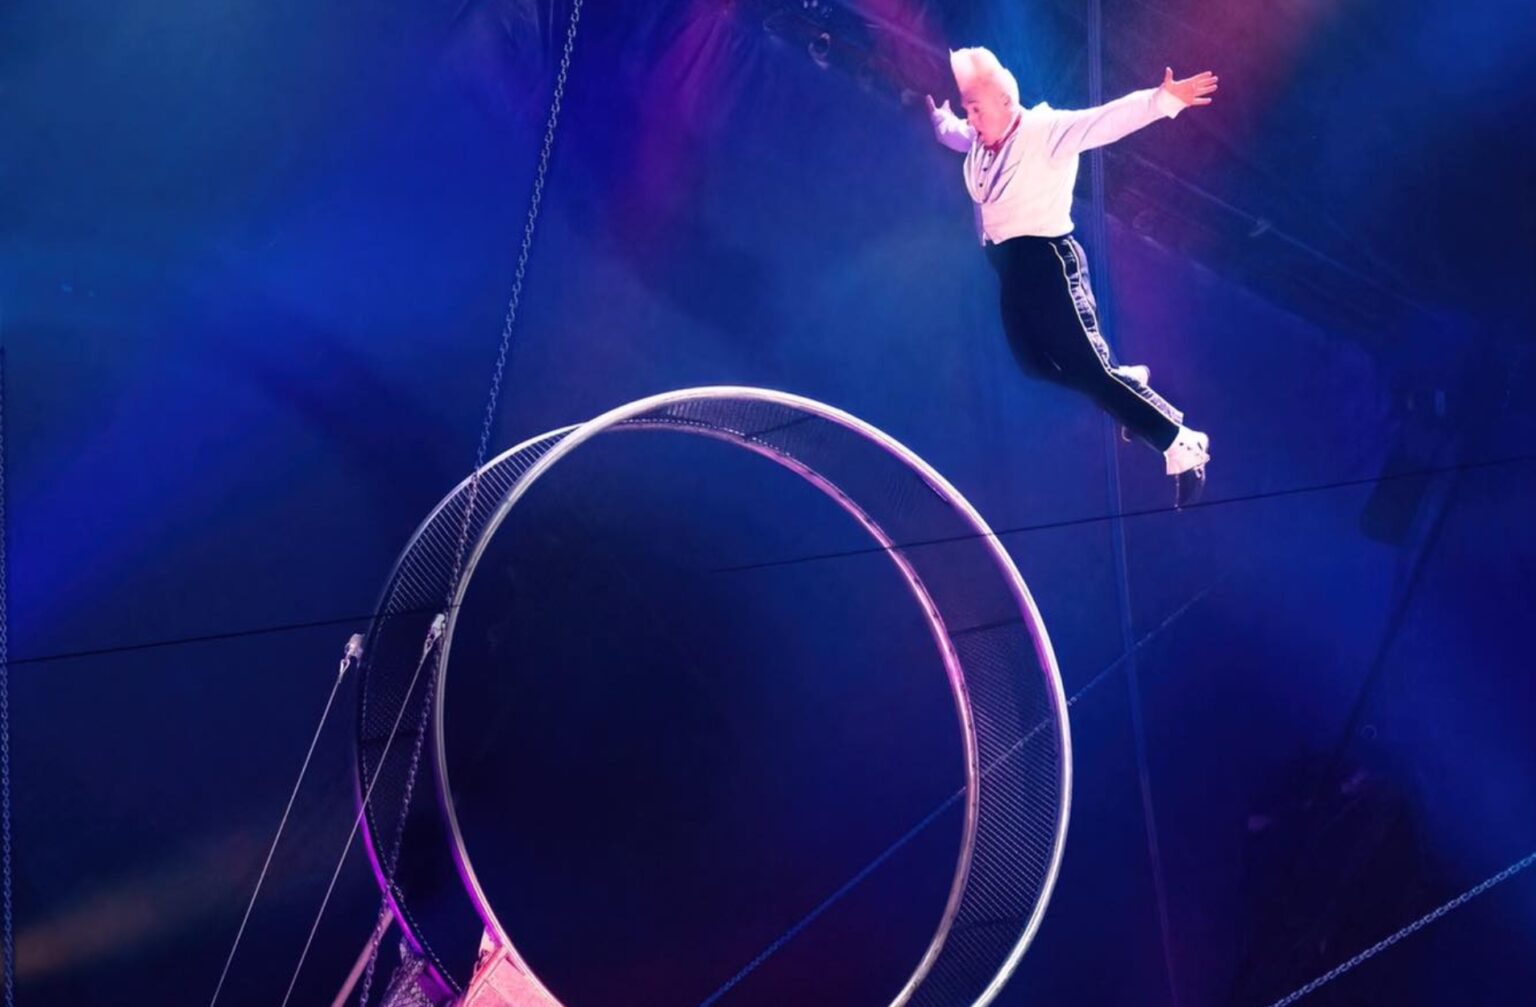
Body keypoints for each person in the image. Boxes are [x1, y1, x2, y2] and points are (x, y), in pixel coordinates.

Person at [927, 47, 1218, 504]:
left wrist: (1164, 100)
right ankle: (1122, 384)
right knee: (1034, 364)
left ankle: (1182, 443)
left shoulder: (1045, 131)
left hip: (1048, 262)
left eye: (976, 108)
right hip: (1010, 267)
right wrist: (944, 124)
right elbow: (961, 137)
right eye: (968, 109)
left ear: (1005, 102)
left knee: (1091, 371)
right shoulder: (984, 141)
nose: (971, 118)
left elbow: (1105, 120)